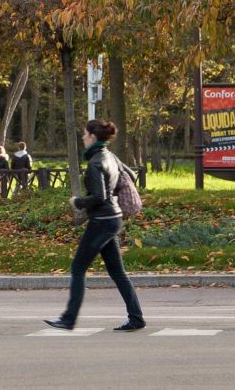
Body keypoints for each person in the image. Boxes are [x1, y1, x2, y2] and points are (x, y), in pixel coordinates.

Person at [46, 119, 145, 332]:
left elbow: (99, 196)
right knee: (117, 272)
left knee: (78, 267)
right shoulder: (111, 156)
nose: (82, 138)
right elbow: (132, 175)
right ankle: (136, 317)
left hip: (102, 221)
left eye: (84, 134)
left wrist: (78, 202)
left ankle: (68, 319)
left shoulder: (95, 163)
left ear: (92, 137)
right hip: (114, 218)